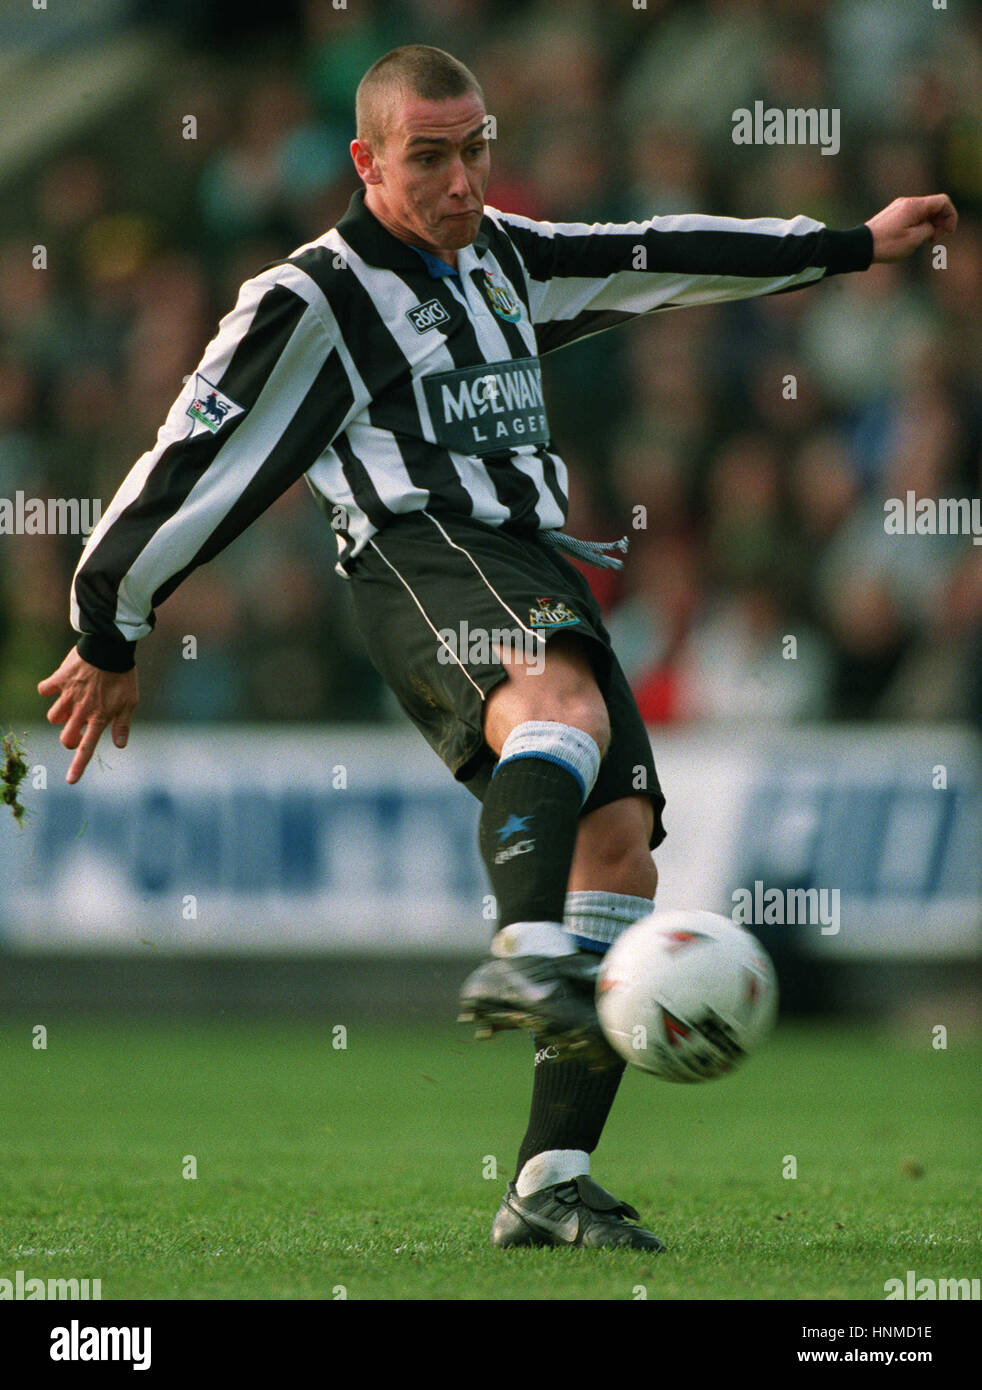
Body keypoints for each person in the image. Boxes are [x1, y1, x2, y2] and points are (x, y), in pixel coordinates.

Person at [38, 45, 956, 1251]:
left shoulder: (505, 262)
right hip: (422, 554)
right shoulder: (312, 298)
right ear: (366, 161)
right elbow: (194, 458)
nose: (465, 178)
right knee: (557, 716)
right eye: (431, 156)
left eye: (477, 148)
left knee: (618, 855)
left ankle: (548, 1182)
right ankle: (521, 955)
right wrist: (109, 620)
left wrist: (847, 244)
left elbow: (657, 256)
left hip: (529, 562)